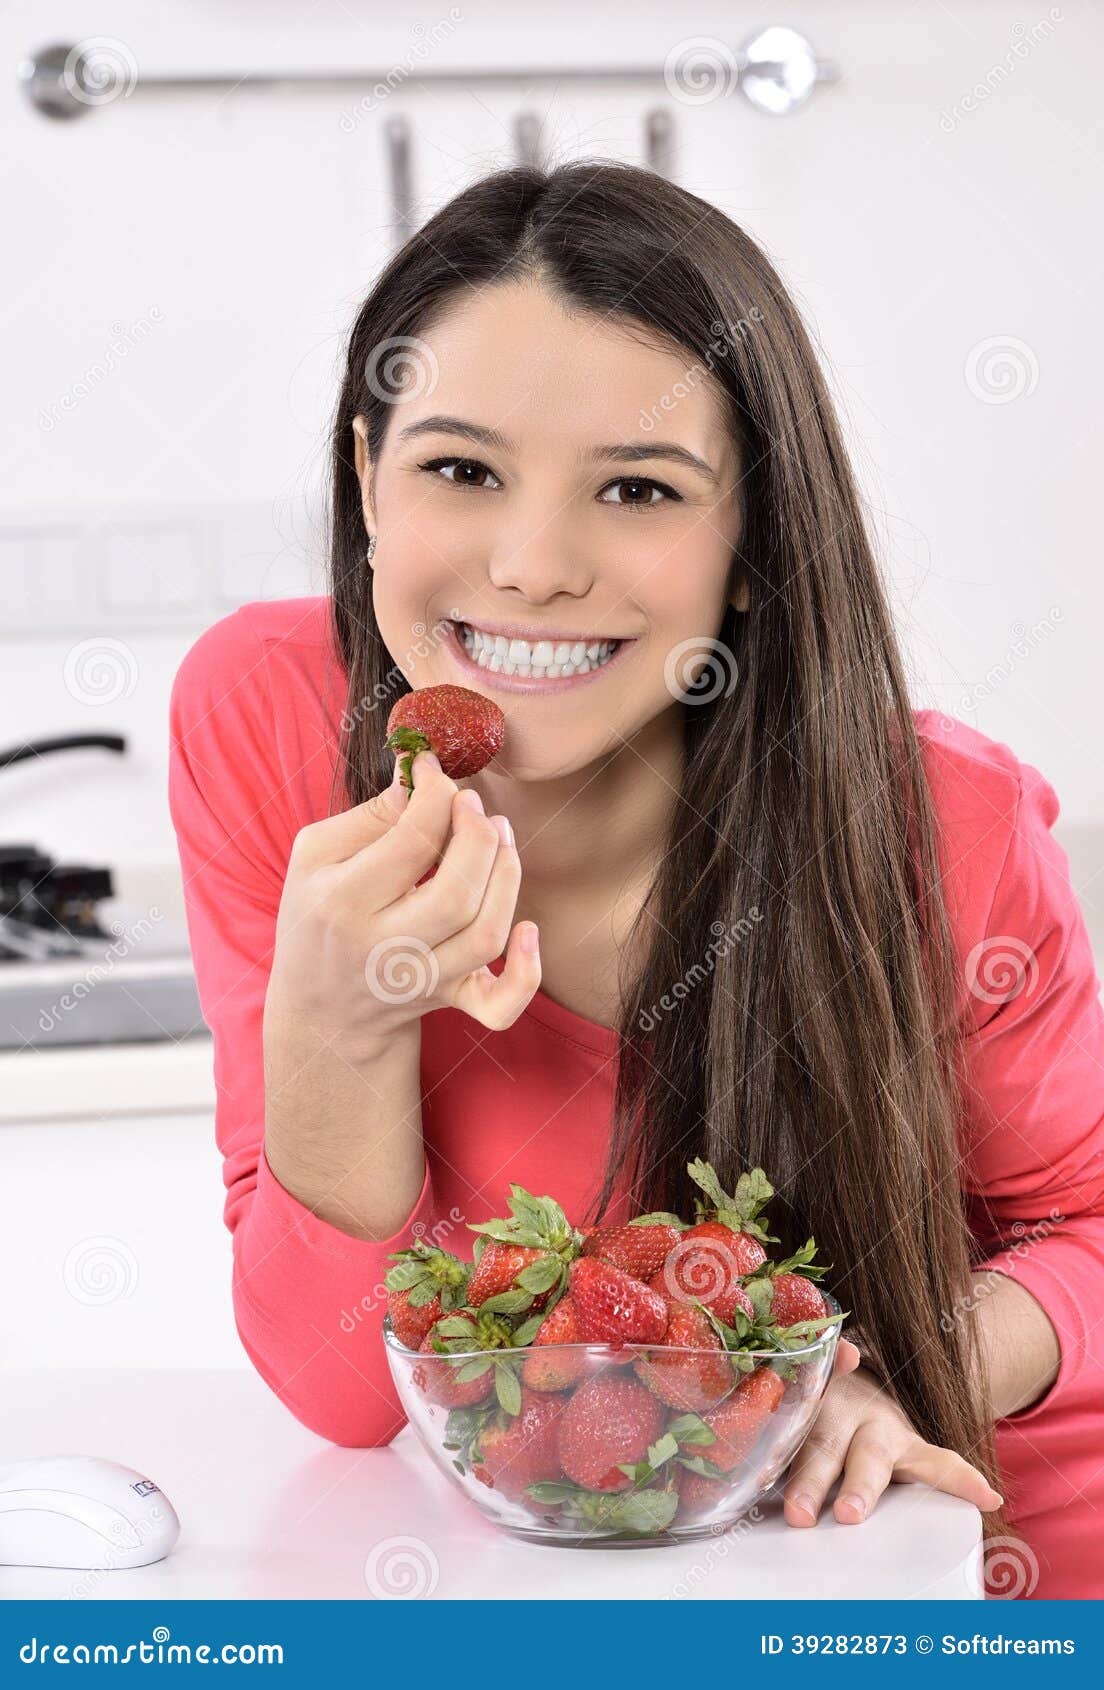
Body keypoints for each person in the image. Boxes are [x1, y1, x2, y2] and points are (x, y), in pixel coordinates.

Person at [168, 162, 1103, 1599]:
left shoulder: (944, 829)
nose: (534, 566)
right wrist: (341, 1026)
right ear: (365, 479)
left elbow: (1086, 1232)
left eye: (638, 488)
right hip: (590, 1580)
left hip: (958, 1538)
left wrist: (860, 1382)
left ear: (749, 547)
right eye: (461, 469)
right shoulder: (269, 717)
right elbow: (343, 1391)